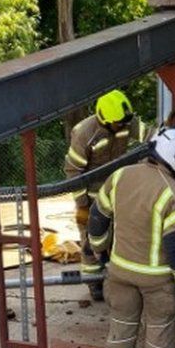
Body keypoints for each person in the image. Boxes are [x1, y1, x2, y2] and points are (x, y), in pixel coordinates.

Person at [87, 128, 175, 348]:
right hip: (157, 280)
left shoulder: (119, 176)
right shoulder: (173, 193)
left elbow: (97, 217)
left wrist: (99, 250)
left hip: (120, 272)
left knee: (122, 327)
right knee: (159, 329)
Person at [64, 89, 149, 300]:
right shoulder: (85, 133)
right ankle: (94, 284)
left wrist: (167, 132)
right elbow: (73, 172)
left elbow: (149, 135)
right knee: (90, 242)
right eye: (118, 124)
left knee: (119, 237)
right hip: (93, 199)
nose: (123, 127)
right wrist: (82, 205)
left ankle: (117, 278)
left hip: (118, 194)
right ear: (105, 119)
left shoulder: (125, 122)